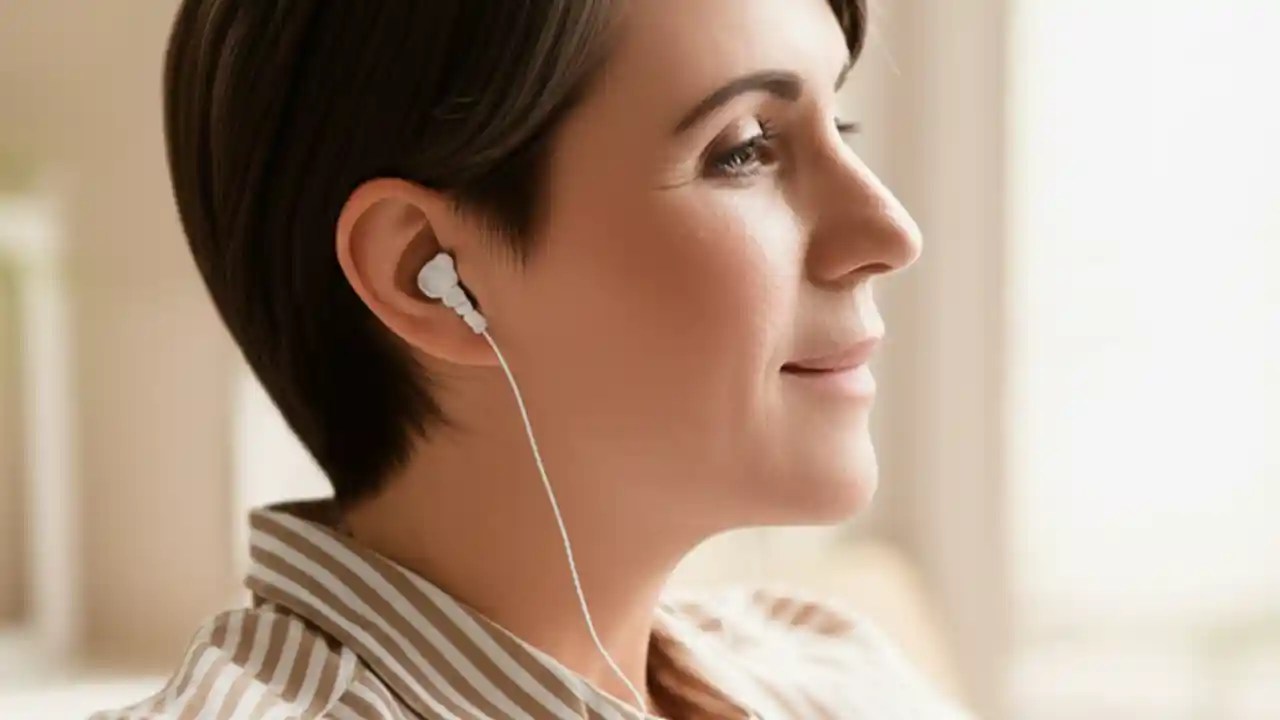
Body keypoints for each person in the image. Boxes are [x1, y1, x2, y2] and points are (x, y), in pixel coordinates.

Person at [94, 0, 971, 717]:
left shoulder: (836, 676)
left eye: (840, 123)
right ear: (427, 273)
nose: (891, 233)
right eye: (743, 149)